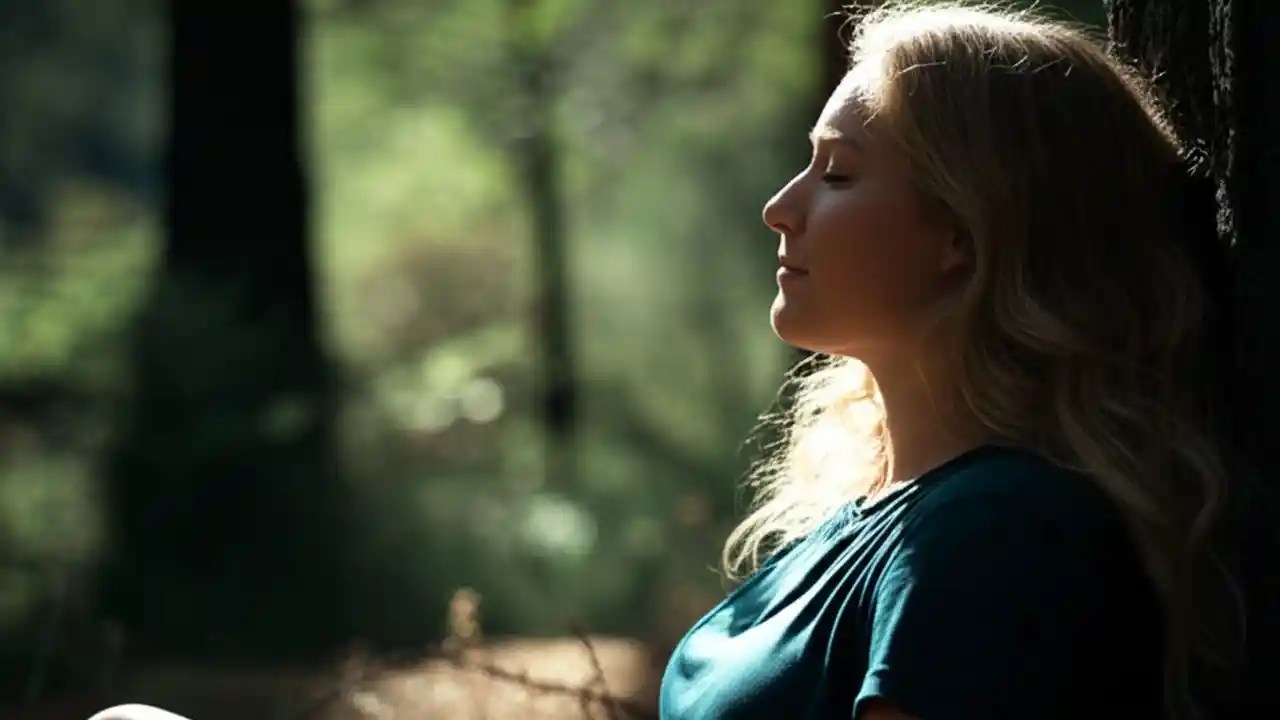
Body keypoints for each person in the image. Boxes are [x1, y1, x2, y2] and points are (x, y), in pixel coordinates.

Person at [658, 3, 1242, 719]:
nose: (780, 207)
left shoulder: (990, 538)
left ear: (965, 232)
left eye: (836, 173)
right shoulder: (894, 516)